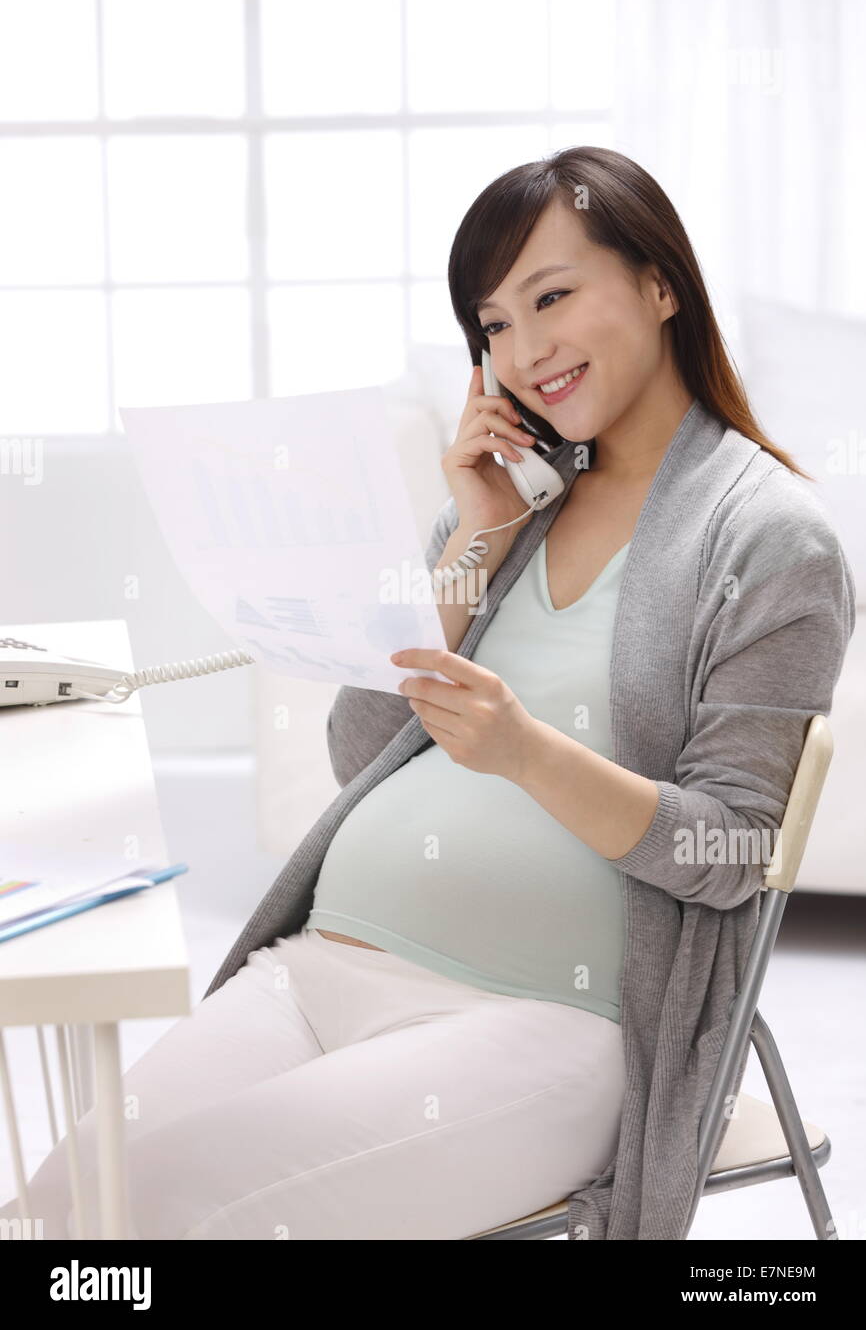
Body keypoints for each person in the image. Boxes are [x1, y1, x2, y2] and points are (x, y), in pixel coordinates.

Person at [1, 146, 854, 1241]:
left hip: (540, 1018)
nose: (525, 348)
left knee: (160, 1212)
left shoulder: (768, 539)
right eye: (493, 324)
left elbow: (728, 851)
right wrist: (481, 533)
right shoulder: (505, 511)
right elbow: (361, 743)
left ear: (657, 284)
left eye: (551, 297)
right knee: (59, 1206)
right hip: (317, 973)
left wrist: (526, 750)